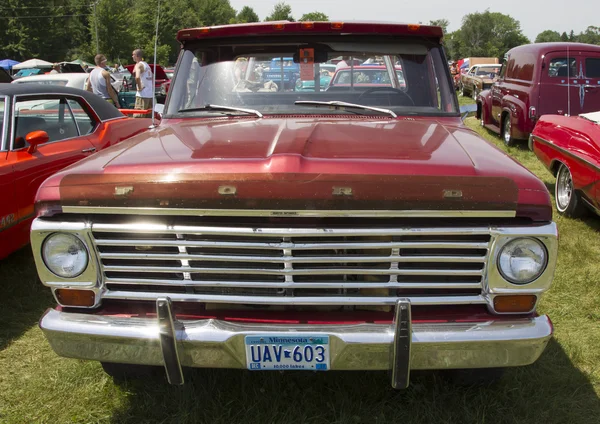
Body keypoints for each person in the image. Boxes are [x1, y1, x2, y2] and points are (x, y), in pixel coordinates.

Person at [131, 49, 153, 118]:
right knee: (149, 117)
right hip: (150, 95)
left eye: (133, 55)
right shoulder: (147, 65)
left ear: (137, 56)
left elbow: (137, 77)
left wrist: (139, 87)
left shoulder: (139, 65)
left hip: (142, 95)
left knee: (139, 116)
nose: (132, 56)